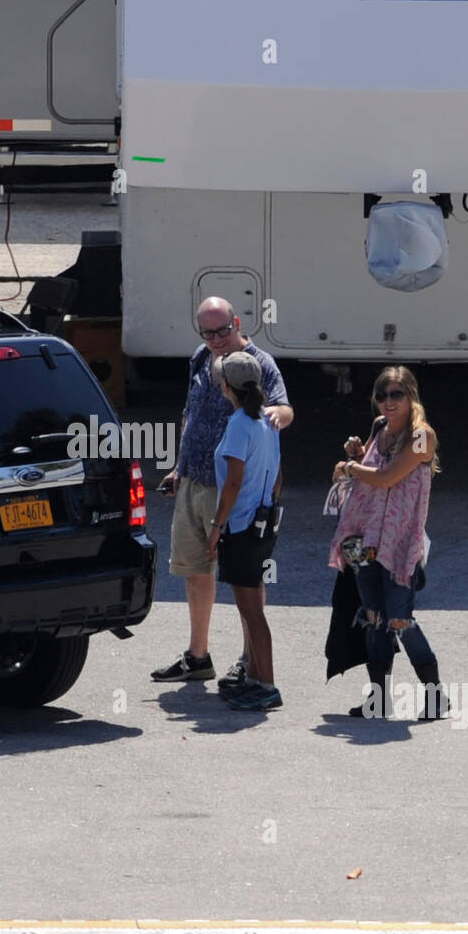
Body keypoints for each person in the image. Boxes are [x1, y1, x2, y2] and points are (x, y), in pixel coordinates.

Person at [151, 297, 293, 691]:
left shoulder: (258, 364)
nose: (215, 339)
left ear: (236, 322)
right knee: (195, 570)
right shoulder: (200, 357)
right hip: (193, 479)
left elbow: (284, 409)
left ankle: (250, 663)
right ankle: (198, 657)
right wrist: (179, 466)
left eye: (222, 330)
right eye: (207, 332)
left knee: (243, 578)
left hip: (232, 489)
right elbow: (189, 412)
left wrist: (273, 416)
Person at [327, 366, 447, 720]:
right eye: (382, 396)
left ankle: (437, 696)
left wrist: (350, 466)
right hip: (363, 537)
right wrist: (360, 451)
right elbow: (375, 466)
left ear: (411, 395)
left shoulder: (423, 436)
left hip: (399, 543)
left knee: (399, 619)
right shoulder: (380, 428)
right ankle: (378, 702)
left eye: (397, 394)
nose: (389, 402)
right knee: (373, 616)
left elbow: (386, 477)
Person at [205, 352, 283, 711]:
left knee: (251, 611)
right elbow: (278, 476)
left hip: (241, 528)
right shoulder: (267, 422)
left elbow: (233, 482)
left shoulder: (239, 423)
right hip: (263, 525)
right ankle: (255, 679)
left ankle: (266, 685)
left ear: (227, 386)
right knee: (252, 608)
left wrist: (217, 526)